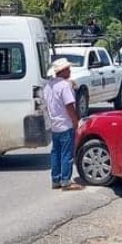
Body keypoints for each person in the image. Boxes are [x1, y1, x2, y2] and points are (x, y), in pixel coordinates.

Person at [43, 58, 84, 191]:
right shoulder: (64, 86)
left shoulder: (49, 85)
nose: (70, 70)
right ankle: (66, 181)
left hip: (55, 124)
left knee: (56, 153)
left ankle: (56, 179)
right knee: (67, 153)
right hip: (65, 124)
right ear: (63, 70)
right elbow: (69, 105)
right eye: (68, 68)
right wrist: (76, 121)